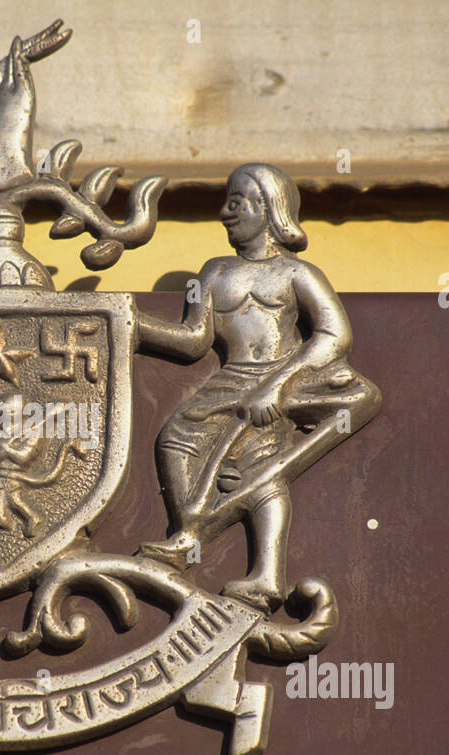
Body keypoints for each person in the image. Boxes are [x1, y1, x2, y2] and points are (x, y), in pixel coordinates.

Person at [138, 163, 380, 610]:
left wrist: (279, 387)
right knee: (175, 437)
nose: (225, 214)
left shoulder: (297, 274)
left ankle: (266, 576)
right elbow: (194, 339)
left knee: (259, 467)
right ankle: (187, 532)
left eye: (236, 203)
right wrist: (137, 327)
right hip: (229, 379)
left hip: (278, 377)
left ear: (269, 209)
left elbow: (334, 334)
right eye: (226, 203)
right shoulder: (211, 272)